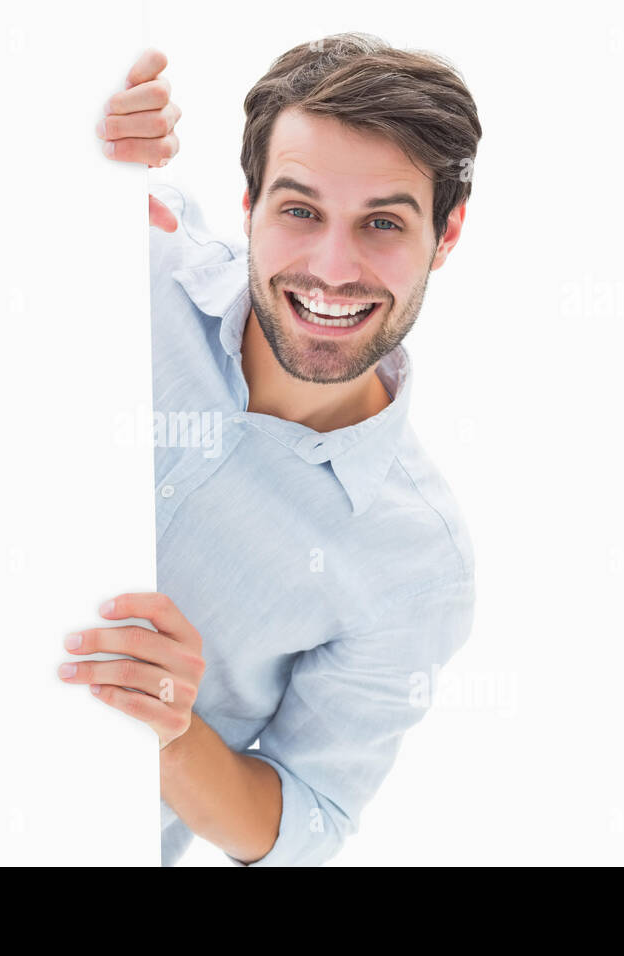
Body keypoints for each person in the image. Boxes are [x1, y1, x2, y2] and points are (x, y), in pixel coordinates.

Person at [61, 34, 483, 866]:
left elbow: (307, 822)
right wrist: (71, 138)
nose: (333, 269)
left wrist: (176, 735)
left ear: (446, 234)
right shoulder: (129, 260)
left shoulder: (418, 565)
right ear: (248, 200)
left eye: (384, 224)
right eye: (299, 211)